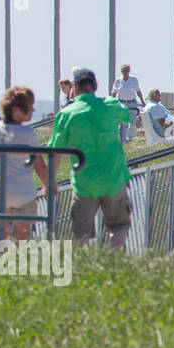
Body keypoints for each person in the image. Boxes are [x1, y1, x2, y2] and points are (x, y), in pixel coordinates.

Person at [49, 66, 132, 249]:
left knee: (81, 233)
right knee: (119, 226)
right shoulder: (110, 106)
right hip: (114, 178)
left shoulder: (66, 114)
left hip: (84, 182)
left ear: (74, 87)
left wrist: (50, 181)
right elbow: (126, 115)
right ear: (95, 86)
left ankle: (85, 270)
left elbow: (55, 151)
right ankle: (113, 263)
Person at [0, 87, 50, 242]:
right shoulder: (28, 134)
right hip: (24, 194)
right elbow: (39, 165)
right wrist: (48, 184)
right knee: (22, 238)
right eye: (28, 106)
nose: (32, 110)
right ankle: (17, 264)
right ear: (16, 109)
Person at [110, 63, 143, 142]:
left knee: (132, 122)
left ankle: (129, 138)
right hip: (121, 103)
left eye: (127, 71)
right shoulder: (118, 81)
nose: (126, 72)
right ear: (121, 71)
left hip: (132, 102)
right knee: (122, 122)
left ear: (129, 71)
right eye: (124, 71)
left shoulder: (134, 79)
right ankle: (123, 139)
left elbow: (138, 91)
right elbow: (114, 93)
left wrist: (142, 101)